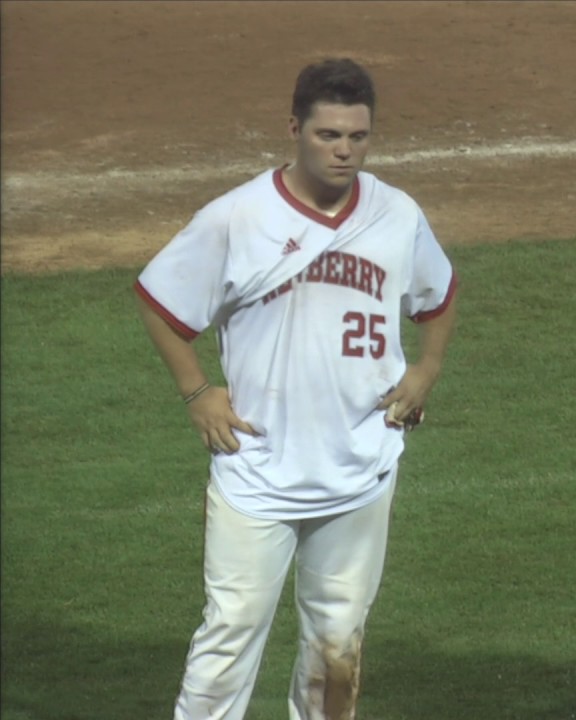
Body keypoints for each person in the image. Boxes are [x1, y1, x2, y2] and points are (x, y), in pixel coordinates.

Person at [134, 57, 458, 720]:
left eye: (357, 137)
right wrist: (198, 393)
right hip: (257, 471)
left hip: (360, 469)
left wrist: (427, 370)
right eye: (328, 135)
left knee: (337, 645)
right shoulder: (236, 218)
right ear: (294, 128)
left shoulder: (396, 213)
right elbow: (160, 303)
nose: (344, 151)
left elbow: (438, 296)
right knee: (228, 638)